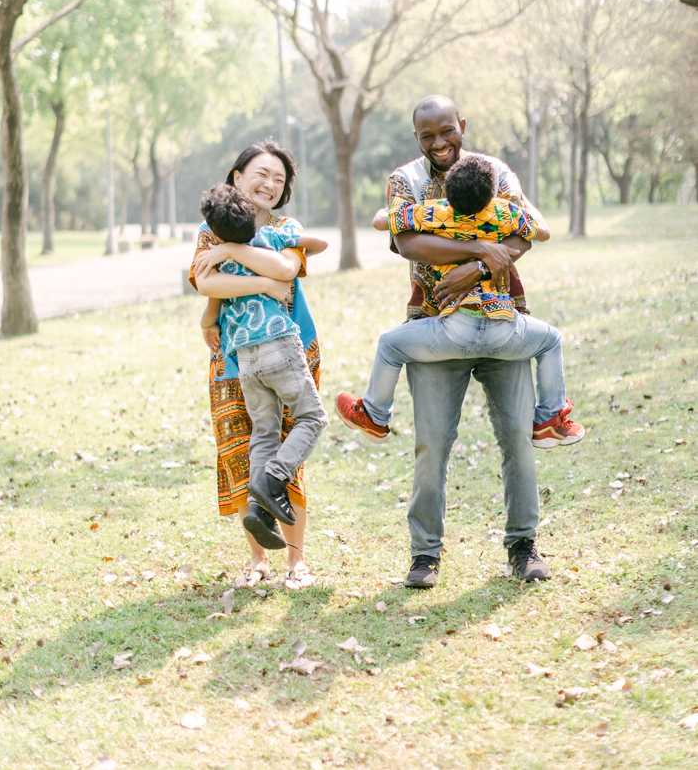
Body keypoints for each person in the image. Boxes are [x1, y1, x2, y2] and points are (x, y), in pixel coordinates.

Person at [369, 94, 551, 587]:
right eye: (427, 136)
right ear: (416, 138)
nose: (439, 143)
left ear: (462, 125)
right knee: (431, 444)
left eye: (446, 131)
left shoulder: (494, 171)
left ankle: (523, 546)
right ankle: (425, 555)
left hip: (500, 318)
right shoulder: (403, 181)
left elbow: (524, 233)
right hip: (433, 321)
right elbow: (408, 242)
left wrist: (473, 269)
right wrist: (477, 249)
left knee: (517, 435)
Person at [336, 154, 585, 449]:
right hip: (504, 328)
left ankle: (375, 416)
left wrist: (393, 210)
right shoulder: (504, 212)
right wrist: (518, 197)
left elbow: (382, 222)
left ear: (449, 192)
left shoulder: (434, 212)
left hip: (454, 328)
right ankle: (548, 421)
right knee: (551, 340)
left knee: (390, 345)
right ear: (491, 191)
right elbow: (541, 232)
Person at [190, 139, 323, 590]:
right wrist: (264, 283)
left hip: (291, 347)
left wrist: (236, 262)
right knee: (246, 451)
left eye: (279, 179)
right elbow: (205, 281)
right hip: (232, 358)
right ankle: (258, 558)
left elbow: (288, 269)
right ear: (237, 177)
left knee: (288, 449)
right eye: (260, 174)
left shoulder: (286, 226)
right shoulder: (210, 230)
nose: (269, 184)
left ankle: (296, 562)